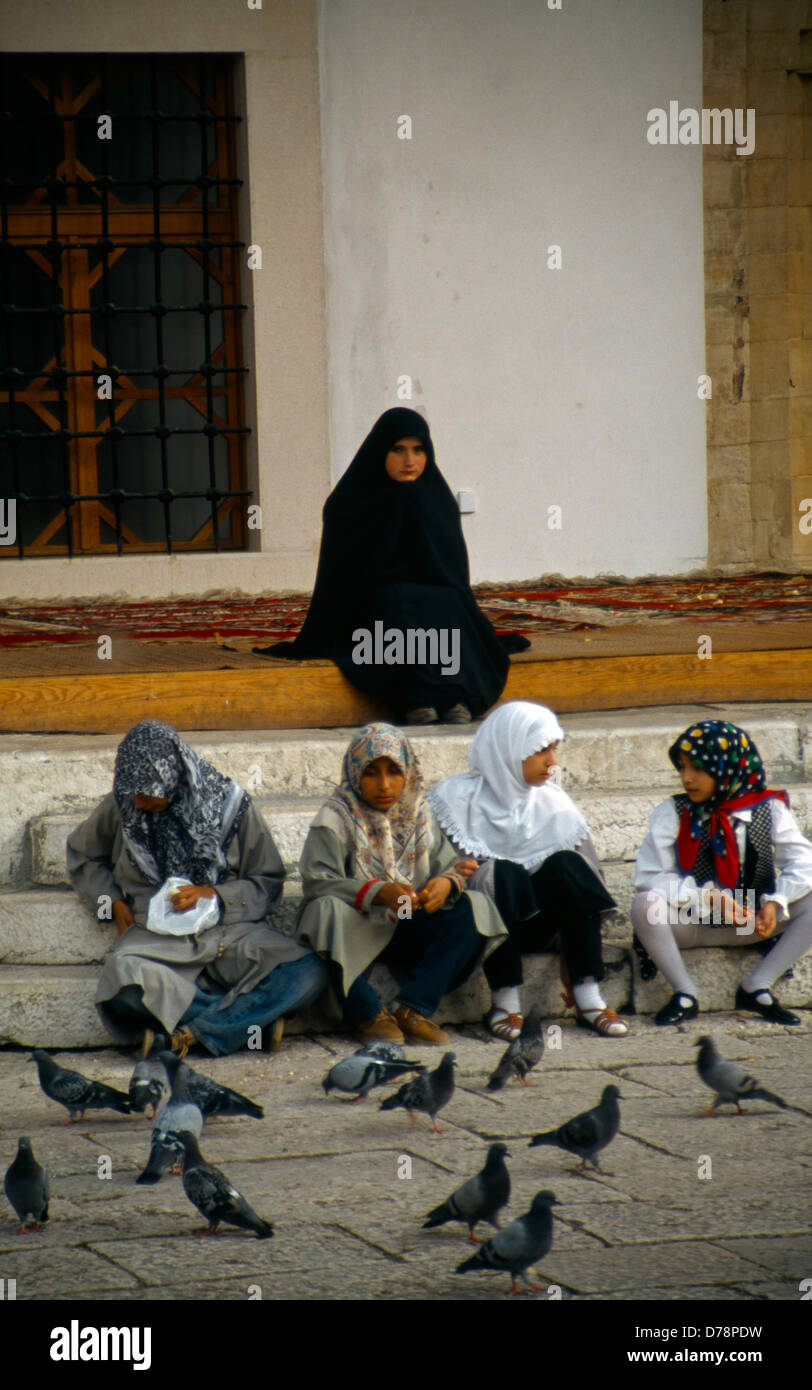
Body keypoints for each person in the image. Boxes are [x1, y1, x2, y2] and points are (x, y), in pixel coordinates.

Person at [66, 720, 327, 1056]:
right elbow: (84, 856)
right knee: (122, 987)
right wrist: (111, 903)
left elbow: (268, 880)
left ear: (173, 777)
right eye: (135, 794)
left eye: (149, 794)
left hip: (230, 935)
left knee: (309, 971)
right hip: (156, 941)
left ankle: (192, 1030)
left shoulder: (231, 807)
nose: (140, 804)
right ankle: (246, 1023)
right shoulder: (123, 804)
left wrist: (217, 895)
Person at [255, 406, 527, 724]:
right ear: (380, 451)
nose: (409, 461)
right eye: (398, 450)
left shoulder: (436, 500)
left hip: (432, 603)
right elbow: (346, 581)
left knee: (448, 602)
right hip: (367, 610)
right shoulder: (350, 502)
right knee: (399, 602)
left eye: (418, 450)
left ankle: (453, 695)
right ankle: (419, 697)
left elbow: (452, 575)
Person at [296, 723, 508, 1044]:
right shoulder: (334, 818)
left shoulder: (419, 812)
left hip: (408, 920)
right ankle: (366, 1012)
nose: (384, 784)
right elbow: (318, 882)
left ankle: (413, 1009)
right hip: (357, 927)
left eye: (394, 771)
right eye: (371, 772)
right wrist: (378, 892)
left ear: (408, 771)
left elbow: (448, 863)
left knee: (474, 906)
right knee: (323, 911)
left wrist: (446, 883)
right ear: (354, 772)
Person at [428, 701, 629, 1040]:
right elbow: (442, 871)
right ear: (507, 749)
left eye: (554, 748)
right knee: (499, 872)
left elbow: (590, 883)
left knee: (568, 864)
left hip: (544, 926)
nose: (552, 761)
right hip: (484, 924)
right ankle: (505, 1000)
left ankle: (587, 993)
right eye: (540, 750)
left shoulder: (554, 802)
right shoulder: (455, 801)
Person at [631, 719, 812, 1026]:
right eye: (682, 768)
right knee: (645, 905)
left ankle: (757, 987)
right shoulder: (672, 813)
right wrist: (710, 897)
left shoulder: (766, 809)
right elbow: (650, 877)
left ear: (726, 768)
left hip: (752, 924)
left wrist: (776, 901)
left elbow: (804, 862)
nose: (686, 778)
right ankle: (685, 993)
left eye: (697, 769)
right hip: (694, 925)